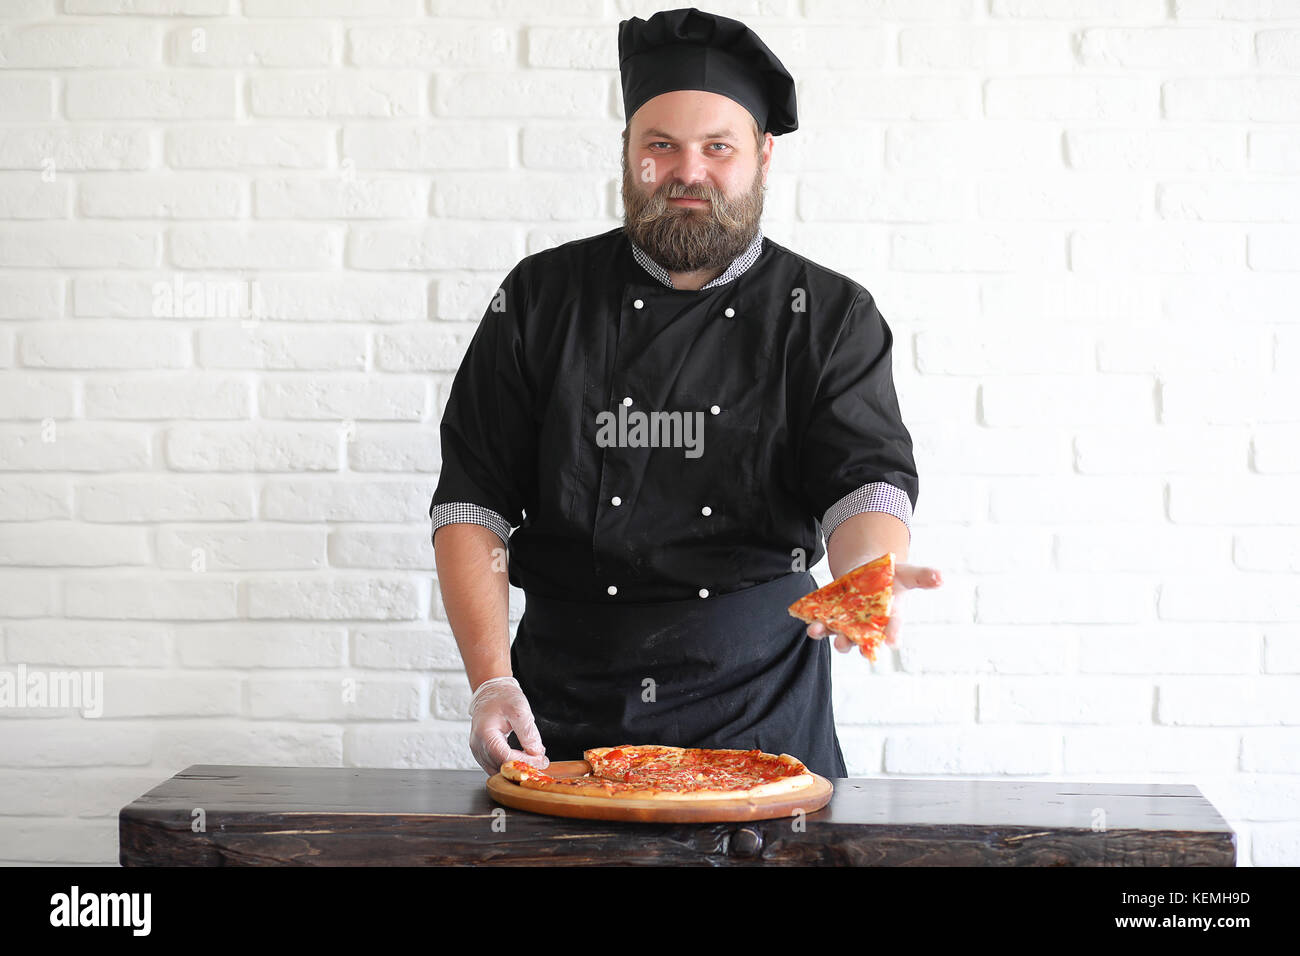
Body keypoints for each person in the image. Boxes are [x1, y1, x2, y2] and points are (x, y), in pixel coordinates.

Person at [431, 7, 943, 780]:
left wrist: (866, 569)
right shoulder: (540, 298)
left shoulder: (829, 314)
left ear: (764, 157)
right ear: (629, 152)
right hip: (562, 710)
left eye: (717, 147)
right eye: (661, 145)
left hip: (760, 706)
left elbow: (861, 478)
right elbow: (474, 503)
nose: (688, 171)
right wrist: (491, 681)